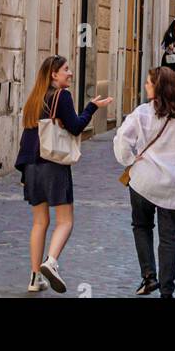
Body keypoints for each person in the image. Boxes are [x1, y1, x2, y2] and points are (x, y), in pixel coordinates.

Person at [16, 54, 112, 294]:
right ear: (54, 74)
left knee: (39, 222)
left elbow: (27, 138)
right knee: (65, 221)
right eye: (66, 69)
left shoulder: (34, 99)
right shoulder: (63, 96)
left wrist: (24, 173)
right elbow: (77, 126)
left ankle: (34, 277)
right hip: (53, 165)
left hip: (31, 167)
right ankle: (51, 262)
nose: (70, 73)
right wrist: (92, 107)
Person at [114, 66, 175, 298]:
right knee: (170, 239)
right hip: (174, 186)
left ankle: (149, 276)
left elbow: (121, 140)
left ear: (159, 87)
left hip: (143, 182)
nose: (146, 86)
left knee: (141, 227)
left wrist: (128, 159)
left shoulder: (142, 113)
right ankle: (167, 291)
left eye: (149, 82)